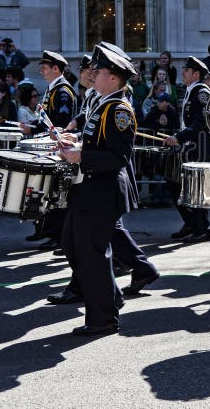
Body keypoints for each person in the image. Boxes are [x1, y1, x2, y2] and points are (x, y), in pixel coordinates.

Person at [56, 44, 154, 335]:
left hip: (102, 190)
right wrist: (74, 143)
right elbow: (97, 143)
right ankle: (111, 299)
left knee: (92, 255)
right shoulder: (102, 103)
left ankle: (103, 319)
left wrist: (80, 156)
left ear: (113, 78)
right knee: (71, 245)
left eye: (98, 72)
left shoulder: (118, 110)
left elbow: (118, 157)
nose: (92, 75)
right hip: (88, 188)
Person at [25, 51, 77, 248]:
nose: (41, 71)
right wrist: (33, 125)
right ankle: (45, 229)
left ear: (56, 69)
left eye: (45, 67)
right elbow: (48, 119)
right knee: (46, 190)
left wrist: (35, 128)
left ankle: (58, 236)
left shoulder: (63, 91)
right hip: (52, 144)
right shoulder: (53, 89)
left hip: (59, 147)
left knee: (57, 192)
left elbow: (60, 123)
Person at [164, 56, 210, 242]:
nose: (182, 73)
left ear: (196, 74)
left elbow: (201, 124)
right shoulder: (190, 91)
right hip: (190, 147)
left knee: (197, 189)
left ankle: (202, 229)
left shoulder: (201, 92)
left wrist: (178, 137)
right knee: (175, 184)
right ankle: (191, 223)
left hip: (199, 148)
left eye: (186, 70)